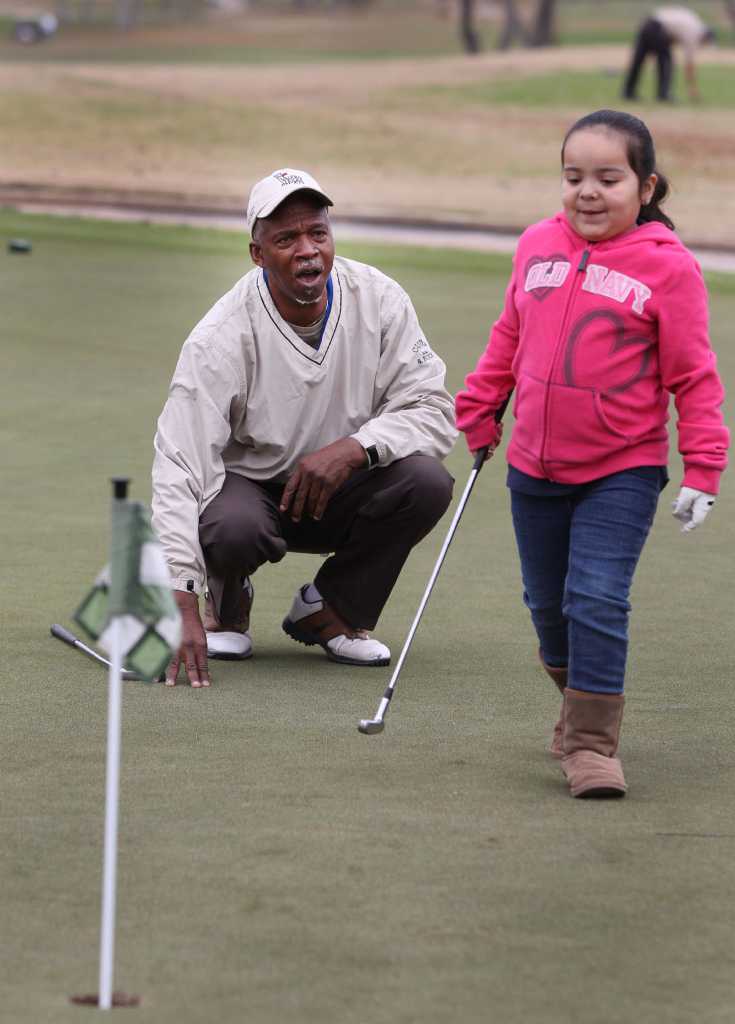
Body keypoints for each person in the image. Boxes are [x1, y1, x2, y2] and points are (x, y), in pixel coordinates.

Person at [455, 110, 729, 799]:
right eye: (573, 176)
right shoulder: (536, 246)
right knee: (546, 606)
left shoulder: (668, 268)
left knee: (596, 598)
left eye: (608, 178)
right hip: (532, 466)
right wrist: (479, 406)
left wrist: (702, 467)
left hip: (622, 467)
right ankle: (575, 702)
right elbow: (507, 335)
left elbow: (693, 375)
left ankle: (589, 745)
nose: (586, 192)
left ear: (645, 186)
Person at [152, 168, 457, 688]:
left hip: (346, 486)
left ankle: (331, 610)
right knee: (230, 527)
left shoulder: (379, 299)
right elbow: (180, 461)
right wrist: (179, 595)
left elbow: (433, 409)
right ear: (257, 254)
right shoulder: (220, 336)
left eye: (317, 232)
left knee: (426, 482)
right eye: (286, 238)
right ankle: (225, 607)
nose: (307, 250)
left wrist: (356, 448)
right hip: (251, 495)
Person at [622, 5, 715, 103]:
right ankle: (663, 94)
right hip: (657, 27)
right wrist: (693, 88)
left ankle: (628, 92)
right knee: (666, 61)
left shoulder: (695, 21)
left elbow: (673, 33)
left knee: (638, 60)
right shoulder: (693, 34)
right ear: (705, 37)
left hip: (648, 22)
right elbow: (689, 65)